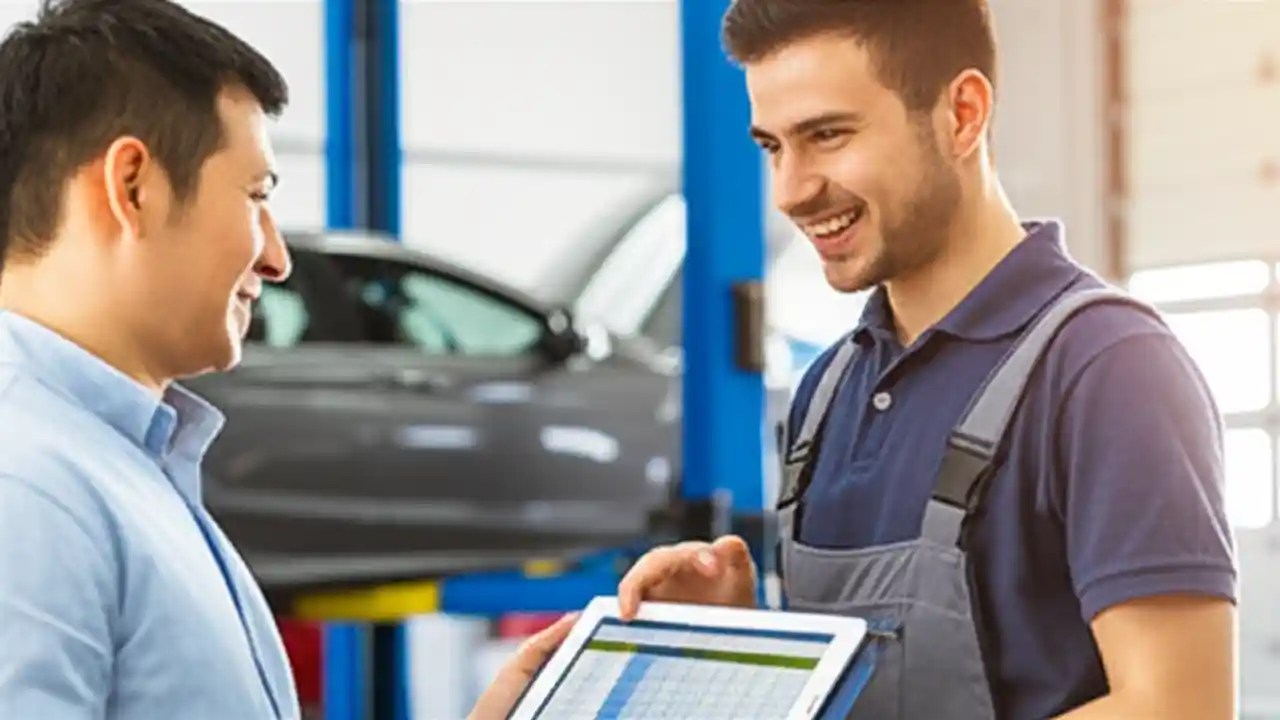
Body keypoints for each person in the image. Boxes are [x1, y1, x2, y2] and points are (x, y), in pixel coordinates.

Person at [617, 2, 1237, 719]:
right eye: (773, 147)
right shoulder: (825, 394)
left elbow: (1180, 706)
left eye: (827, 135)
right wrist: (739, 642)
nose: (790, 191)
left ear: (962, 114)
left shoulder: (1108, 368)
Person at [0, 1, 562, 717]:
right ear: (133, 186)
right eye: (254, 197)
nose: (276, 257)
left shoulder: (112, 465)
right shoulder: (26, 486)